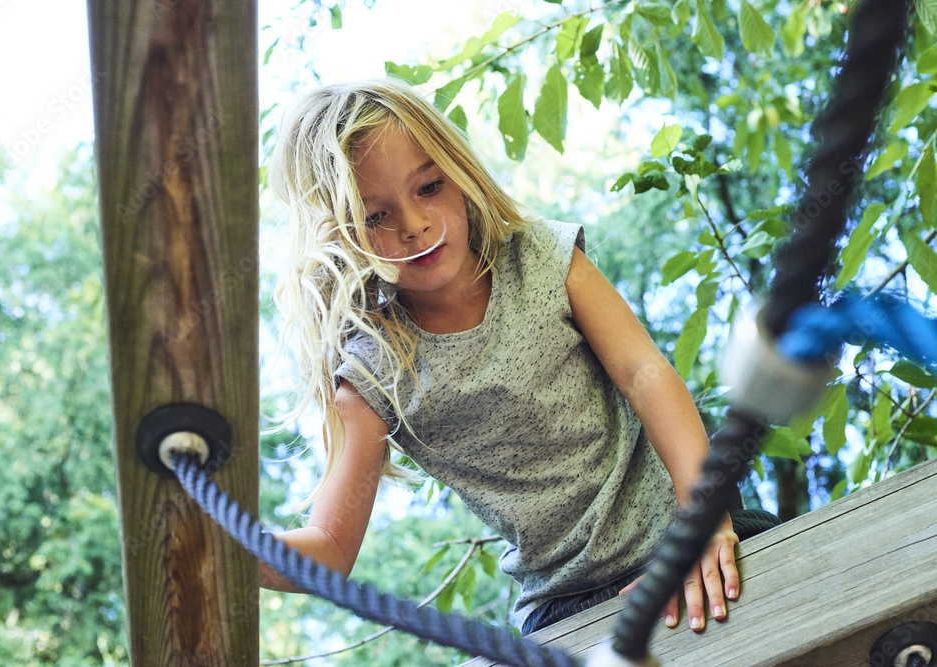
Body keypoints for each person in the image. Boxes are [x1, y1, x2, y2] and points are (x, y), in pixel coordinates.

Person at [264, 77, 779, 636]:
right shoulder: (374, 372)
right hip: (567, 601)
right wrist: (208, 537)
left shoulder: (539, 259)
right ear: (339, 233)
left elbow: (645, 373)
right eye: (375, 216)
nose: (413, 224)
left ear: (458, 172)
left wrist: (702, 522)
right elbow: (330, 548)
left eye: (429, 186)